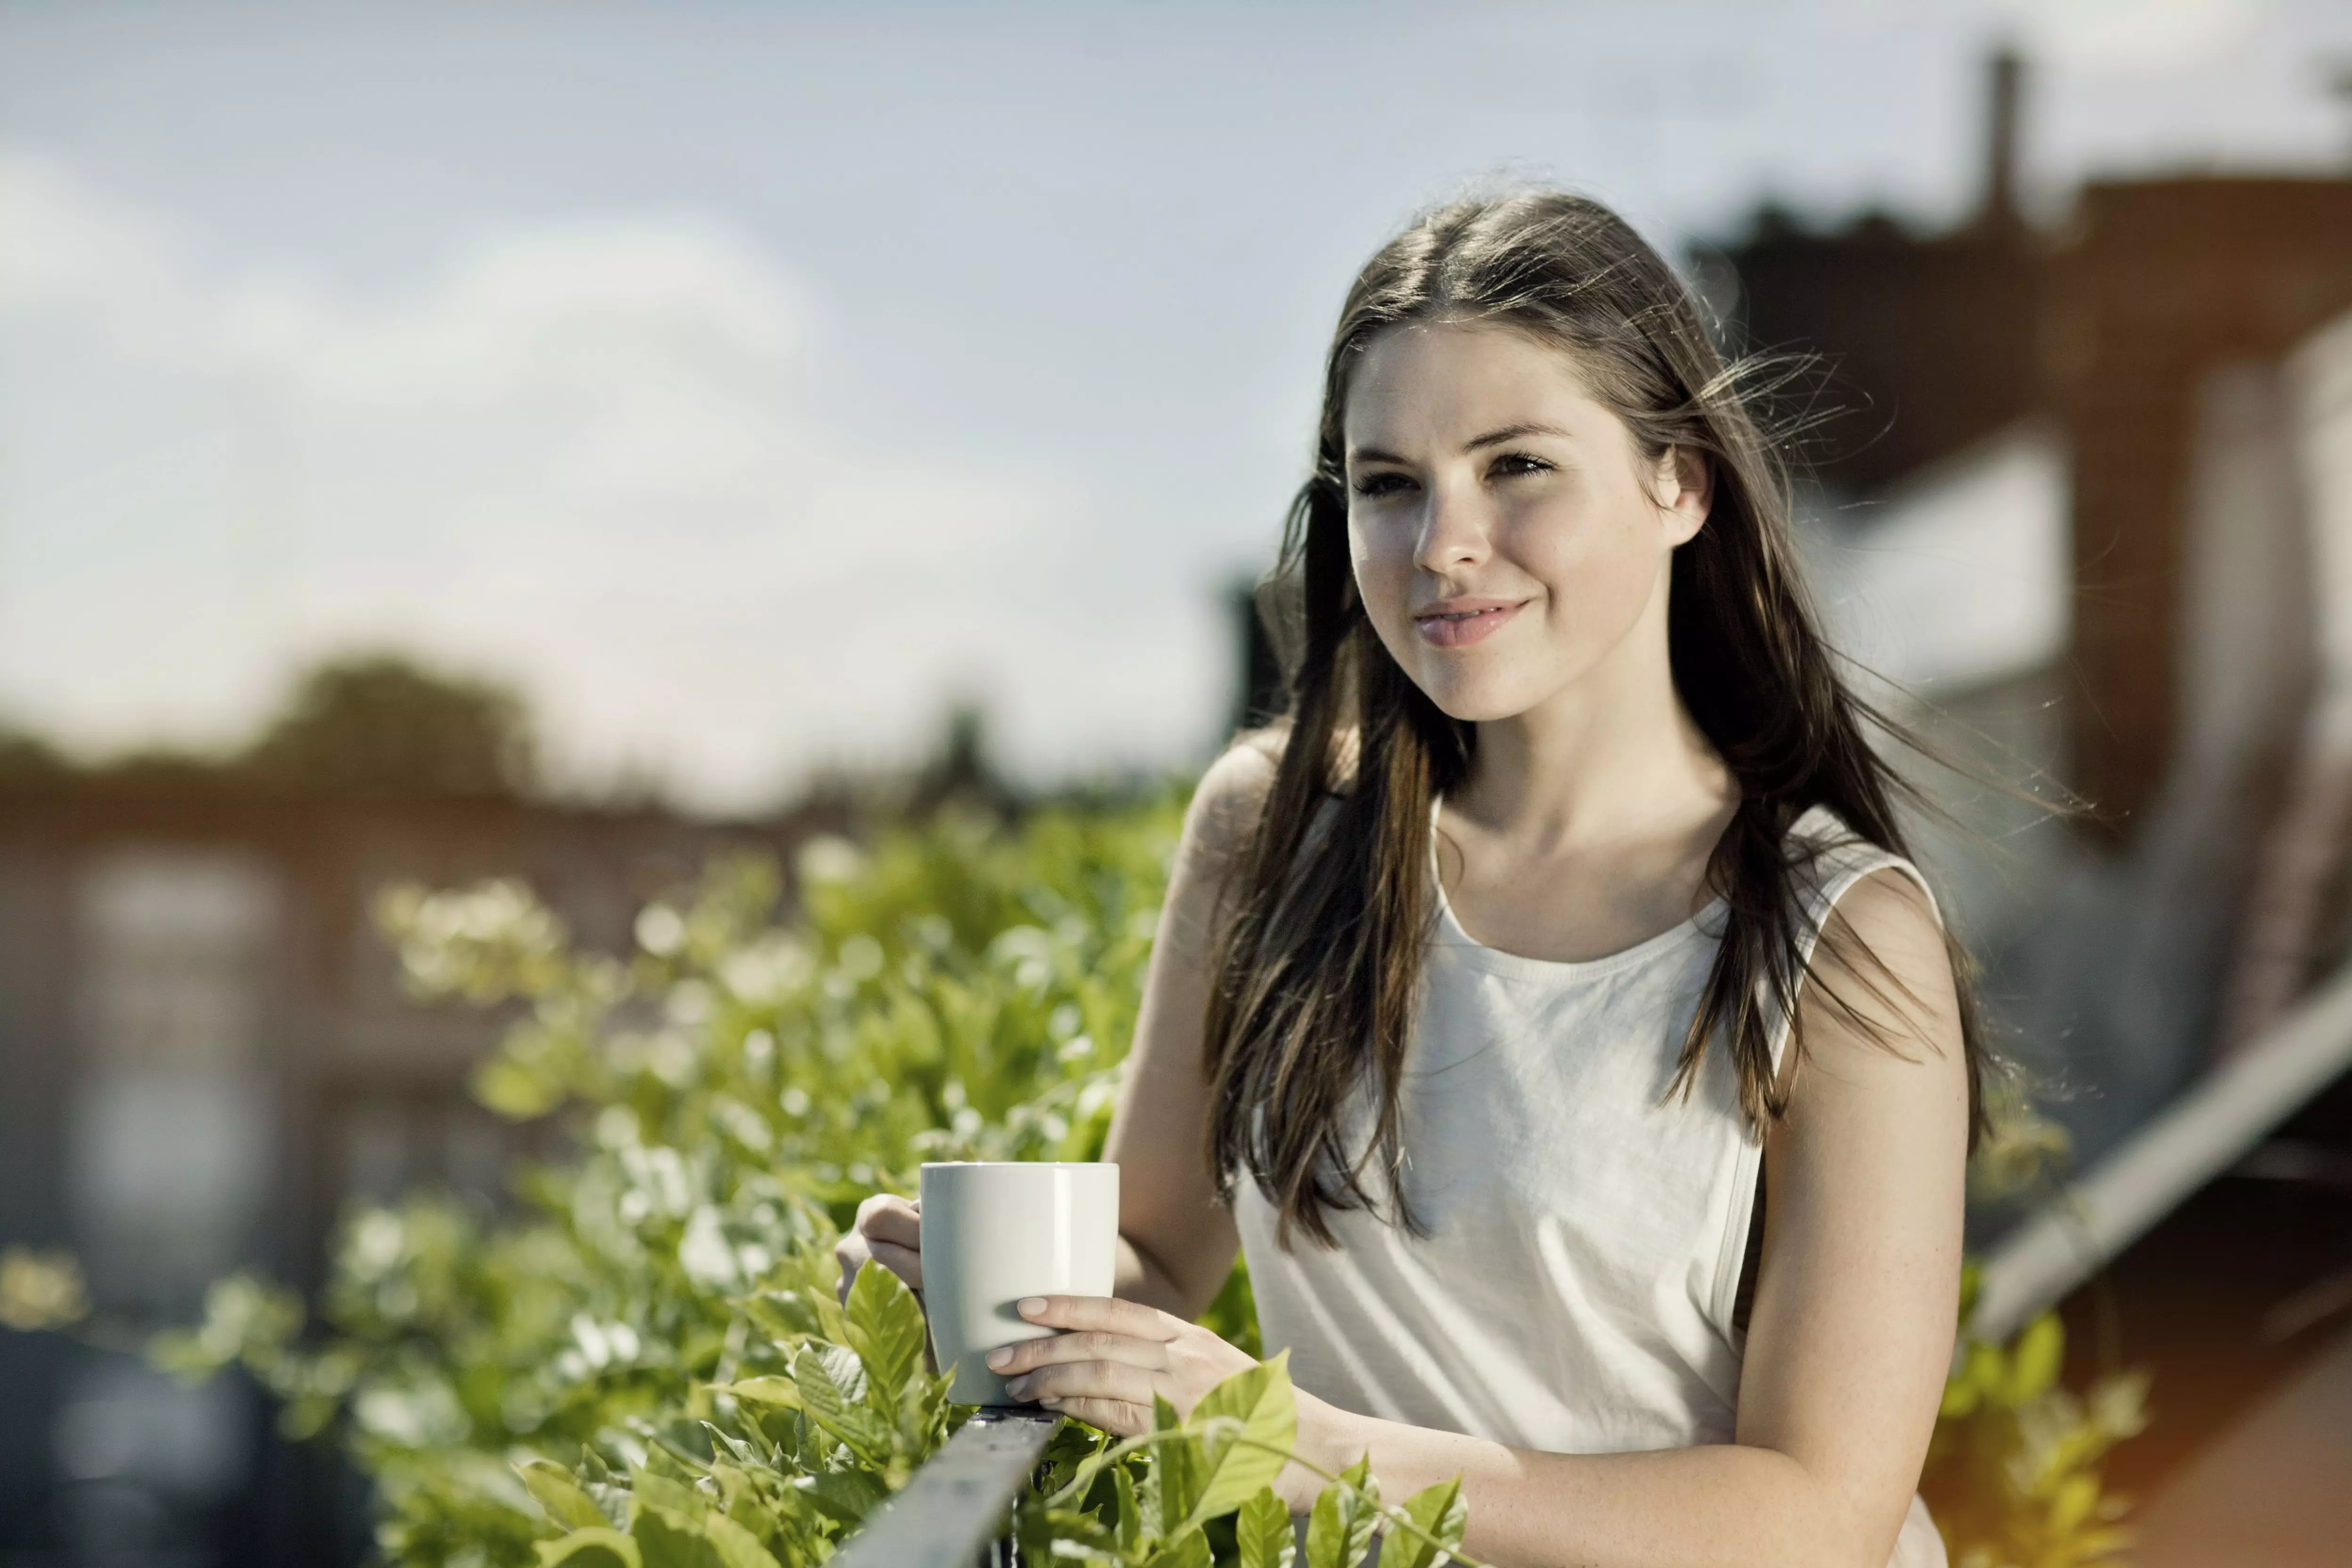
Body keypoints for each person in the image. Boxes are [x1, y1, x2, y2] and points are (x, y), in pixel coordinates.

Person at [838, 190, 1980, 1568]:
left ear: (1680, 481)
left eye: (1517, 467)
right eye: (1389, 484)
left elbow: (1818, 1518)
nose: (1441, 542)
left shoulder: (1838, 935)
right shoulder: (1268, 832)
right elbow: (1155, 1259)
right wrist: (985, 1297)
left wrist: (1273, 1436)